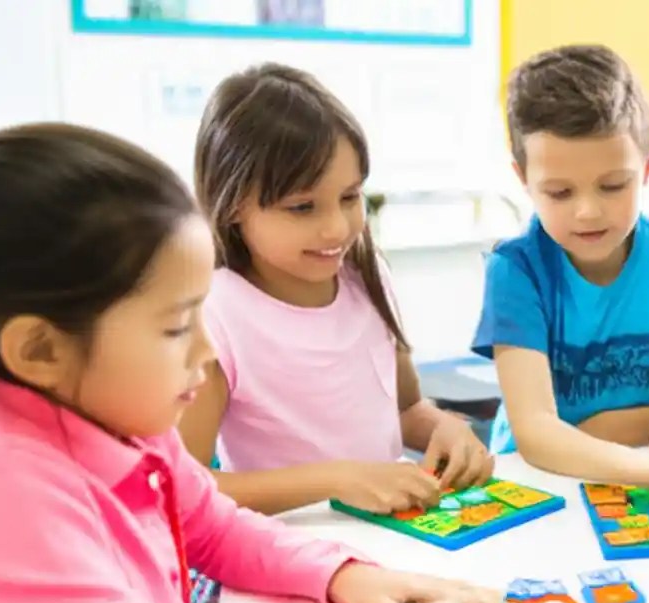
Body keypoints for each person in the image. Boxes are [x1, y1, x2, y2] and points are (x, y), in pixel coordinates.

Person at [0, 124, 501, 603]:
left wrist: (340, 576)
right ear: (41, 350)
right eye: (176, 326)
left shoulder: (119, 424)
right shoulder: (0, 489)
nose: (206, 348)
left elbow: (212, 526)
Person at [178, 64, 493, 517]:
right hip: (285, 551)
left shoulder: (366, 274)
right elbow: (186, 487)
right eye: (303, 207)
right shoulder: (217, 313)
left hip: (394, 539)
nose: (337, 228)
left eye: (350, 197)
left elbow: (405, 411)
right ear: (231, 206)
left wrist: (446, 429)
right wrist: (336, 481)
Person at [471, 44, 649, 488]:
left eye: (613, 186)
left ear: (648, 164)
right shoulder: (516, 270)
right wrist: (648, 470)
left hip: (646, 458)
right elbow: (536, 431)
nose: (588, 212)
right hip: (539, 479)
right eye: (560, 193)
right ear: (523, 178)